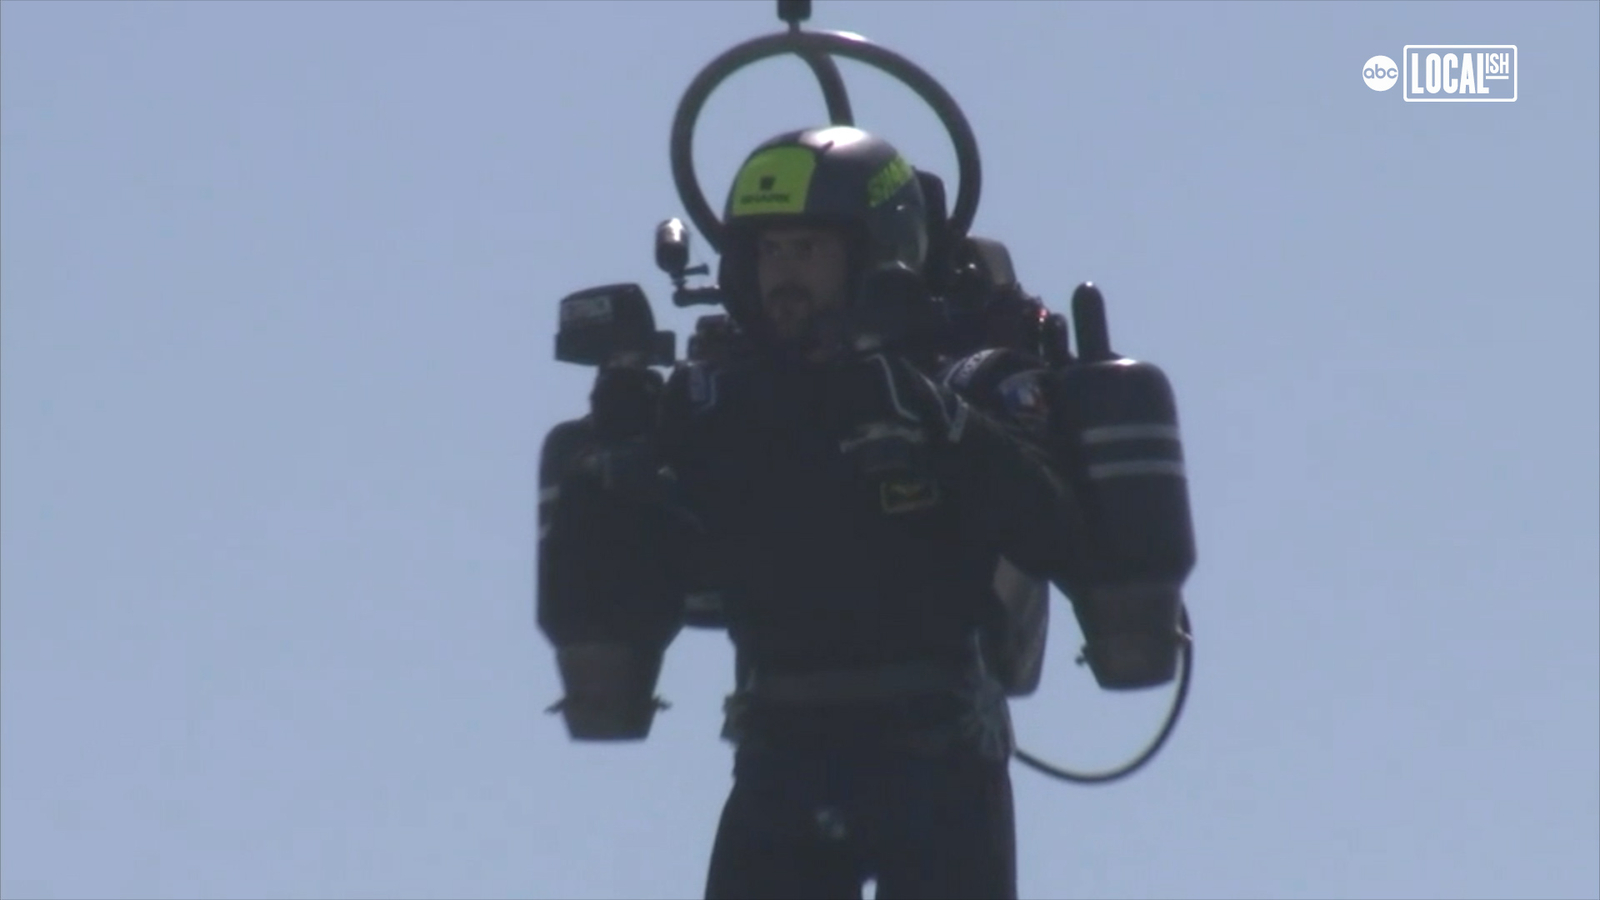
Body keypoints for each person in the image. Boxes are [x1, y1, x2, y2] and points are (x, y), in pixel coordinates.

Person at [539, 125, 1089, 900]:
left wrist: (940, 422)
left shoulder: (966, 379)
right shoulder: (712, 404)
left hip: (941, 759)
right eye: (769, 253)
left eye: (808, 250)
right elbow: (652, 568)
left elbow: (1056, 532)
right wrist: (620, 455)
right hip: (782, 762)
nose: (784, 276)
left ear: (874, 256)